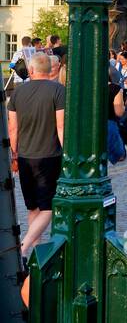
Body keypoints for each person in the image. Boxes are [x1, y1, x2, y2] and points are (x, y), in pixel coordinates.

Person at [8, 52, 65, 261]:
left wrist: (13, 155)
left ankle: (35, 256)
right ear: (50, 70)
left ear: (31, 70)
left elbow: (12, 128)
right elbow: (61, 125)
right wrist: (66, 152)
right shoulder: (58, 90)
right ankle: (24, 247)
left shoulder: (17, 93)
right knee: (49, 207)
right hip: (49, 155)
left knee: (33, 206)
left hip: (24, 156)